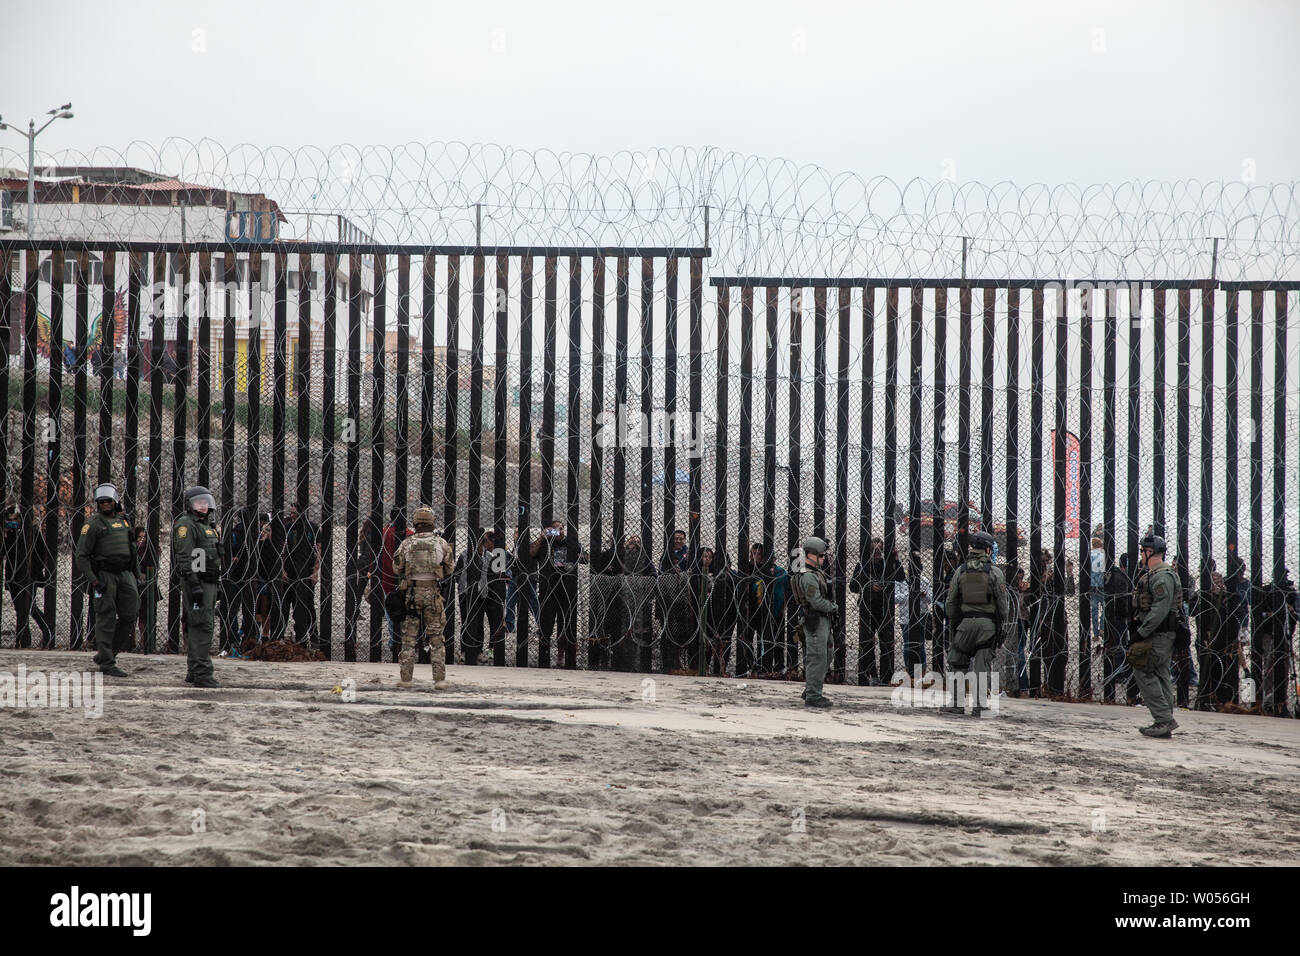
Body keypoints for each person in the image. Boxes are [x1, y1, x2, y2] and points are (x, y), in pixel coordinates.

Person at [74, 483, 140, 677]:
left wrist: (136, 575)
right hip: (105, 576)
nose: (105, 504)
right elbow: (81, 555)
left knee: (130, 614)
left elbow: (133, 549)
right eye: (101, 502)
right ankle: (107, 662)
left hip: (125, 574)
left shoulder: (124, 521)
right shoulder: (93, 524)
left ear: (115, 501)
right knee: (106, 617)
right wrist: (94, 580)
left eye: (108, 501)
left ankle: (107, 653)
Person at [943, 531, 1009, 715]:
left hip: (964, 623)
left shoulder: (960, 571)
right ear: (988, 549)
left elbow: (950, 603)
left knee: (957, 660)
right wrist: (1000, 623)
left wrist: (956, 623)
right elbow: (1003, 606)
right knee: (982, 666)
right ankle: (979, 705)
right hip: (986, 626)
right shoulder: (994, 572)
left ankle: (956, 703)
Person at [391, 505, 455, 686]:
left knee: (409, 639)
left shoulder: (406, 544)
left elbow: (396, 568)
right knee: (436, 638)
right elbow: (450, 568)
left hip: (411, 594)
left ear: (416, 522)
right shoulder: (440, 543)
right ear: (432, 523)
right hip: (432, 594)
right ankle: (439, 680)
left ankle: (406, 679)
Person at [1128, 533, 1181, 737]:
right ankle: (1164, 720)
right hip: (1160, 634)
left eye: (1143, 551)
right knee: (1160, 674)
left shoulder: (1161, 577)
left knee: (1142, 669)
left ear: (1150, 553)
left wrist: (1141, 632)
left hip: (1157, 635)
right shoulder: (1157, 574)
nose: (1141, 555)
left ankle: (1163, 720)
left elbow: (1160, 609)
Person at [172, 486, 223, 688]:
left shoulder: (207, 526)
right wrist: (194, 584)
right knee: (203, 626)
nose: (203, 506)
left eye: (205, 502)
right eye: (198, 503)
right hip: (198, 580)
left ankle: (194, 670)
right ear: (189, 505)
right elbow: (185, 556)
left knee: (199, 624)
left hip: (209, 580)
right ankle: (202, 672)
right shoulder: (186, 525)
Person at [530, 519, 583, 668]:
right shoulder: (545, 544)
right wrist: (542, 537)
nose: (559, 531)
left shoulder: (570, 542)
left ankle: (562, 656)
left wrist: (572, 557)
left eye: (561, 529)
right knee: (546, 623)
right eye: (555, 529)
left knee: (565, 624)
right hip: (548, 588)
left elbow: (585, 558)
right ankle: (544, 656)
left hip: (567, 589)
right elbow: (531, 553)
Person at [849, 537, 901, 685]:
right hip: (868, 608)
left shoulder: (888, 564)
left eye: (879, 550)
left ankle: (886, 677)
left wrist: (896, 559)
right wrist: (868, 585)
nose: (876, 553)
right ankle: (871, 675)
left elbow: (901, 577)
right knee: (867, 643)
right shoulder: (863, 565)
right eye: (873, 550)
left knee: (886, 642)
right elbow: (852, 586)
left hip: (885, 609)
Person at [794, 537, 837, 708]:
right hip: (815, 619)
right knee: (817, 656)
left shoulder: (815, 573)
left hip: (821, 619)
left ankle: (811, 688)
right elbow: (816, 601)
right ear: (810, 555)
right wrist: (832, 607)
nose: (823, 558)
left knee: (827, 654)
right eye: (820, 555)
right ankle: (813, 695)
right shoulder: (809, 577)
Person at [3, 505, 54, 648]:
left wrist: (35, 573)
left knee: (28, 606)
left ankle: (46, 631)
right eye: (9, 520)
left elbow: (41, 554)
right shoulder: (8, 534)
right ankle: (24, 638)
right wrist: (6, 535)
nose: (12, 522)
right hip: (13, 576)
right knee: (19, 607)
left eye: (15, 519)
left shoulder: (32, 533)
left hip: (29, 576)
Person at [456, 529, 508, 666]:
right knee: (466, 621)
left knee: (479, 622)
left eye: (483, 541)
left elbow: (498, 576)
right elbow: (457, 573)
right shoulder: (464, 555)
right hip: (465, 593)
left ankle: (478, 650)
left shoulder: (490, 556)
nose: (481, 544)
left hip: (482, 594)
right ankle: (465, 651)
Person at [279, 502, 321, 645]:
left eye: (294, 513)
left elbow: (318, 551)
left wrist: (315, 572)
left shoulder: (313, 528)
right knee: (284, 605)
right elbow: (281, 551)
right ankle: (280, 636)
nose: (292, 515)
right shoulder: (287, 528)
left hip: (306, 573)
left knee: (307, 606)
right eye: (291, 513)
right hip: (290, 571)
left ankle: (313, 636)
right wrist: (282, 570)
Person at [218, 505, 256, 655]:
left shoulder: (235, 533)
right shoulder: (250, 533)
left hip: (234, 576)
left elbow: (227, 554)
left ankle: (235, 638)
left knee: (233, 609)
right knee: (247, 608)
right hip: (245, 576)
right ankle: (244, 637)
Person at [1191, 564, 1229, 711]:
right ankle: (1205, 699)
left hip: (1221, 640)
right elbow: (1193, 611)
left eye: (1220, 582)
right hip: (1204, 638)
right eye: (1215, 582)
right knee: (1205, 671)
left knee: (1219, 672)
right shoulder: (1201, 596)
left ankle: (1220, 700)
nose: (1218, 585)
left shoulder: (1226, 597)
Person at [504, 526, 540, 635]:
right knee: (510, 601)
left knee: (533, 602)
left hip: (528, 577)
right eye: (515, 533)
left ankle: (541, 624)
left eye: (518, 532)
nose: (516, 535)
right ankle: (510, 626)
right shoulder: (516, 546)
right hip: (516, 577)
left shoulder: (529, 545)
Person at [133, 526, 157, 652]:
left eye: (144, 537)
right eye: (139, 537)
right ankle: (131, 640)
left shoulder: (150, 552)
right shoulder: (132, 551)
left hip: (146, 586)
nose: (142, 540)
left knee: (144, 615)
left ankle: (144, 641)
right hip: (134, 585)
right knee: (131, 614)